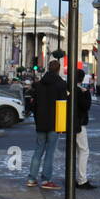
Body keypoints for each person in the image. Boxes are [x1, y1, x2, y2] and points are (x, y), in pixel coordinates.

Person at [27, 60, 67, 189]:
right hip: (54, 124)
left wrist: (37, 116)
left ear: (48, 69)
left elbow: (32, 104)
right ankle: (46, 180)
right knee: (50, 152)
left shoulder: (38, 85)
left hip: (40, 123)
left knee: (38, 151)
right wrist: (62, 126)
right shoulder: (61, 84)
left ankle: (32, 179)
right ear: (58, 69)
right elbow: (63, 106)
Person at [74, 69, 97, 190]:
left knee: (76, 152)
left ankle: (75, 177)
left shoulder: (69, 89)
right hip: (78, 125)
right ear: (82, 79)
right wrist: (87, 93)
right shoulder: (79, 91)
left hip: (69, 124)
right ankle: (82, 180)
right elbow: (86, 106)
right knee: (84, 151)